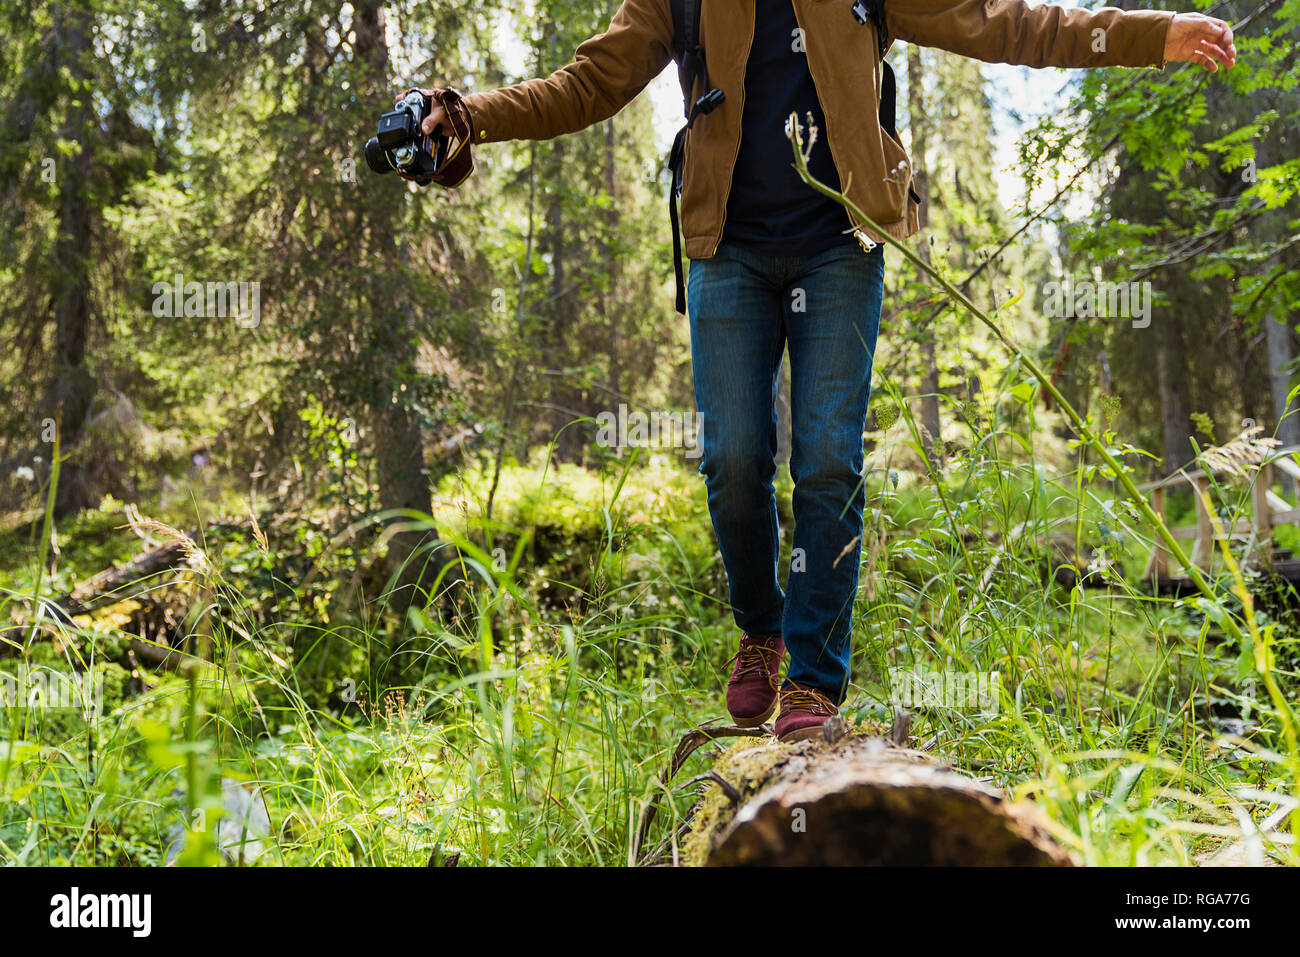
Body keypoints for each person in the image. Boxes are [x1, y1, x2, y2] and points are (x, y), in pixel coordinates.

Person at [406, 0, 1235, 741]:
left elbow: (1003, 22)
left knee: (829, 461)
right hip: (727, 248)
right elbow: (587, 83)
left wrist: (1150, 34)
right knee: (733, 460)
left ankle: (813, 675)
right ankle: (761, 631)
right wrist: (469, 116)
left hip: (841, 243)